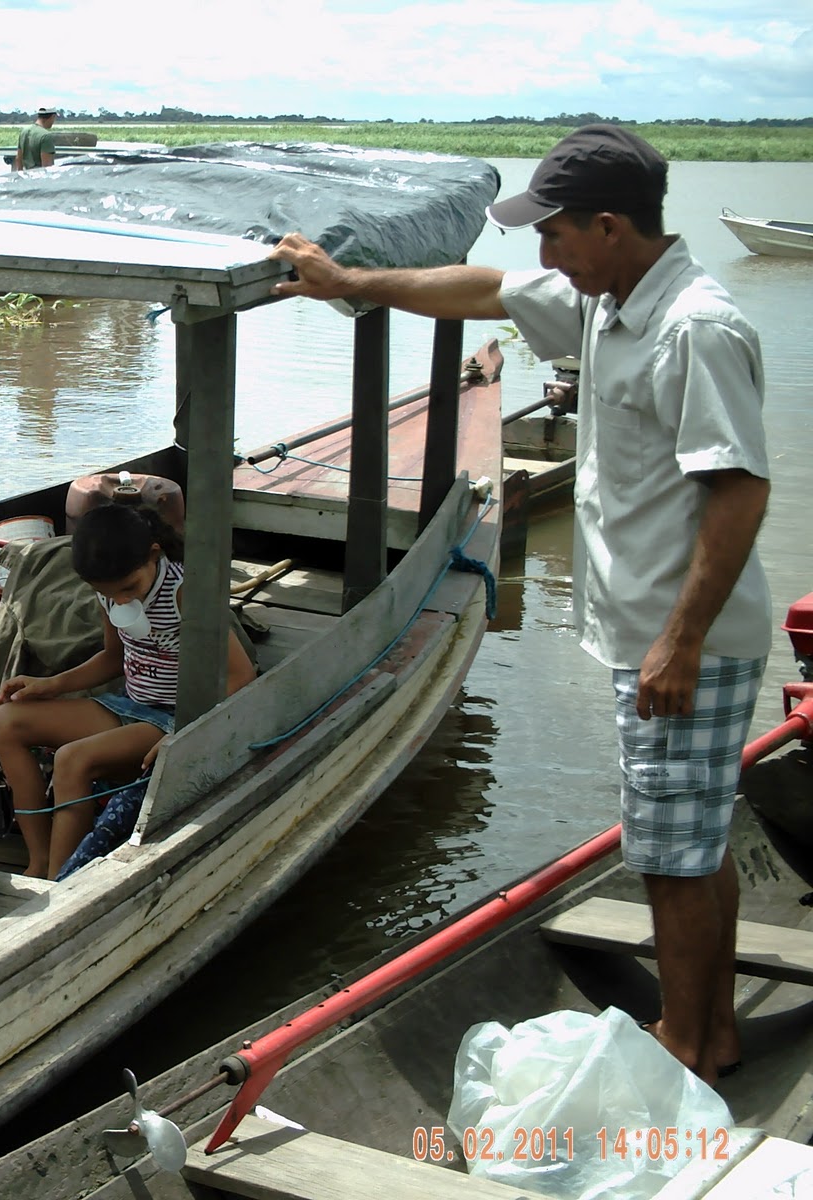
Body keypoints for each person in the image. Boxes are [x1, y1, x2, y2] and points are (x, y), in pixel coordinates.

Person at [269, 123, 771, 1084]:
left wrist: (679, 641)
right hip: (657, 635)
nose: (541, 255)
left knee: (670, 853)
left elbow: (738, 491)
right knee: (690, 840)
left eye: (554, 234)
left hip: (684, 644)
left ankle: (689, 1045)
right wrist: (353, 284)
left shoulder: (693, 326)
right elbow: (486, 290)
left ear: (611, 226)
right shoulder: (610, 301)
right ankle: (711, 1033)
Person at [0, 503, 256, 879]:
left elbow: (240, 674)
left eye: (130, 588)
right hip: (129, 704)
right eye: (109, 593)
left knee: (71, 759)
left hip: (172, 718)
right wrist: (48, 685)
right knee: (4, 722)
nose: (123, 600)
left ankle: (58, 881)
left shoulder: (185, 592)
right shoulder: (110, 592)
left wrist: (186, 733)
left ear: (154, 555)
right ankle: (39, 857)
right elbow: (113, 659)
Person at [14, 104, 59, 171]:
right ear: (53, 116)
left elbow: (18, 158)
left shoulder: (24, 131)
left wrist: (20, 175)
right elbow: (47, 166)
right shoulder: (46, 136)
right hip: (39, 177)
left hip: (26, 175)